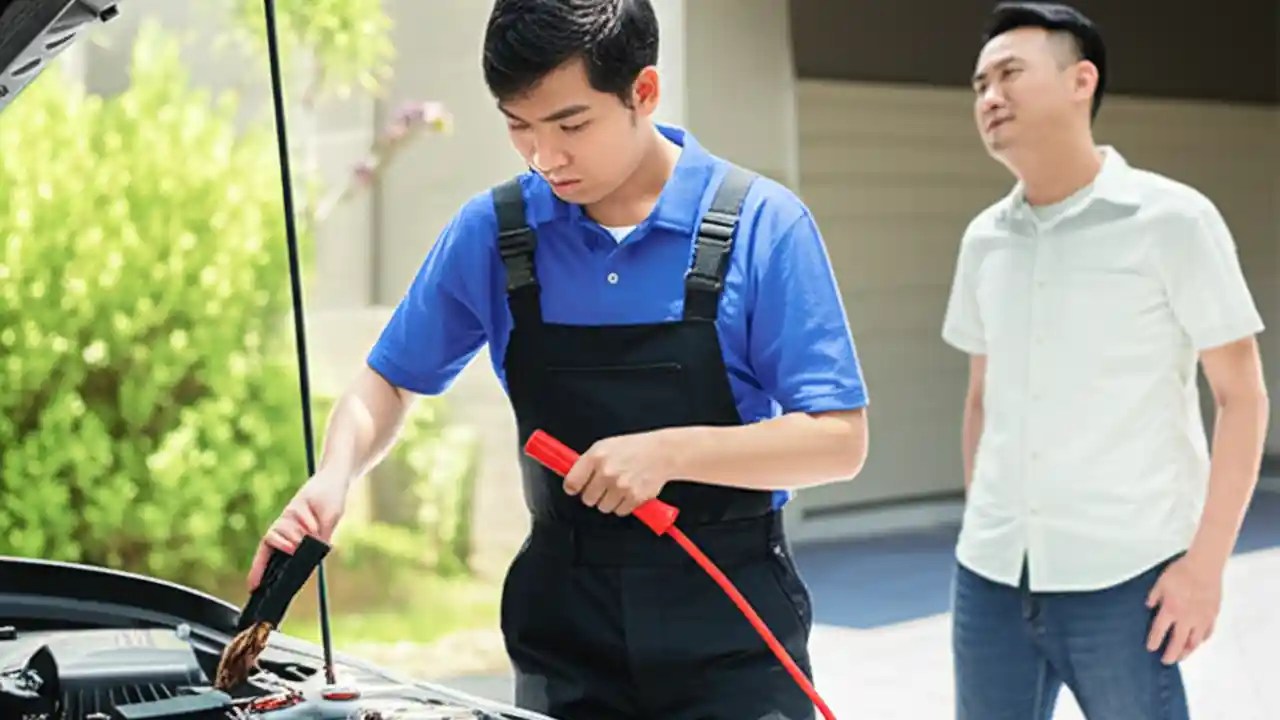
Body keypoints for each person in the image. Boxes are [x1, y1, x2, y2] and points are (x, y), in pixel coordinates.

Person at [248, 1, 870, 717]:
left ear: (643, 92)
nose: (545, 157)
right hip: (565, 637)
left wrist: (667, 453)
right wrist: (335, 475)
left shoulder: (764, 225)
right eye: (519, 126)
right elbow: (388, 380)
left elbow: (838, 441)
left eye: (571, 125)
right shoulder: (494, 232)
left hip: (731, 632)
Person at [942, 3, 1270, 719]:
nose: (990, 97)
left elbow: (1242, 396)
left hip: (1126, 582)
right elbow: (982, 397)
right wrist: (985, 524)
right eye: (980, 85)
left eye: (1009, 74)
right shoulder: (984, 241)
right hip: (991, 581)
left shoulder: (1173, 221)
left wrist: (1206, 568)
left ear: (1080, 81)